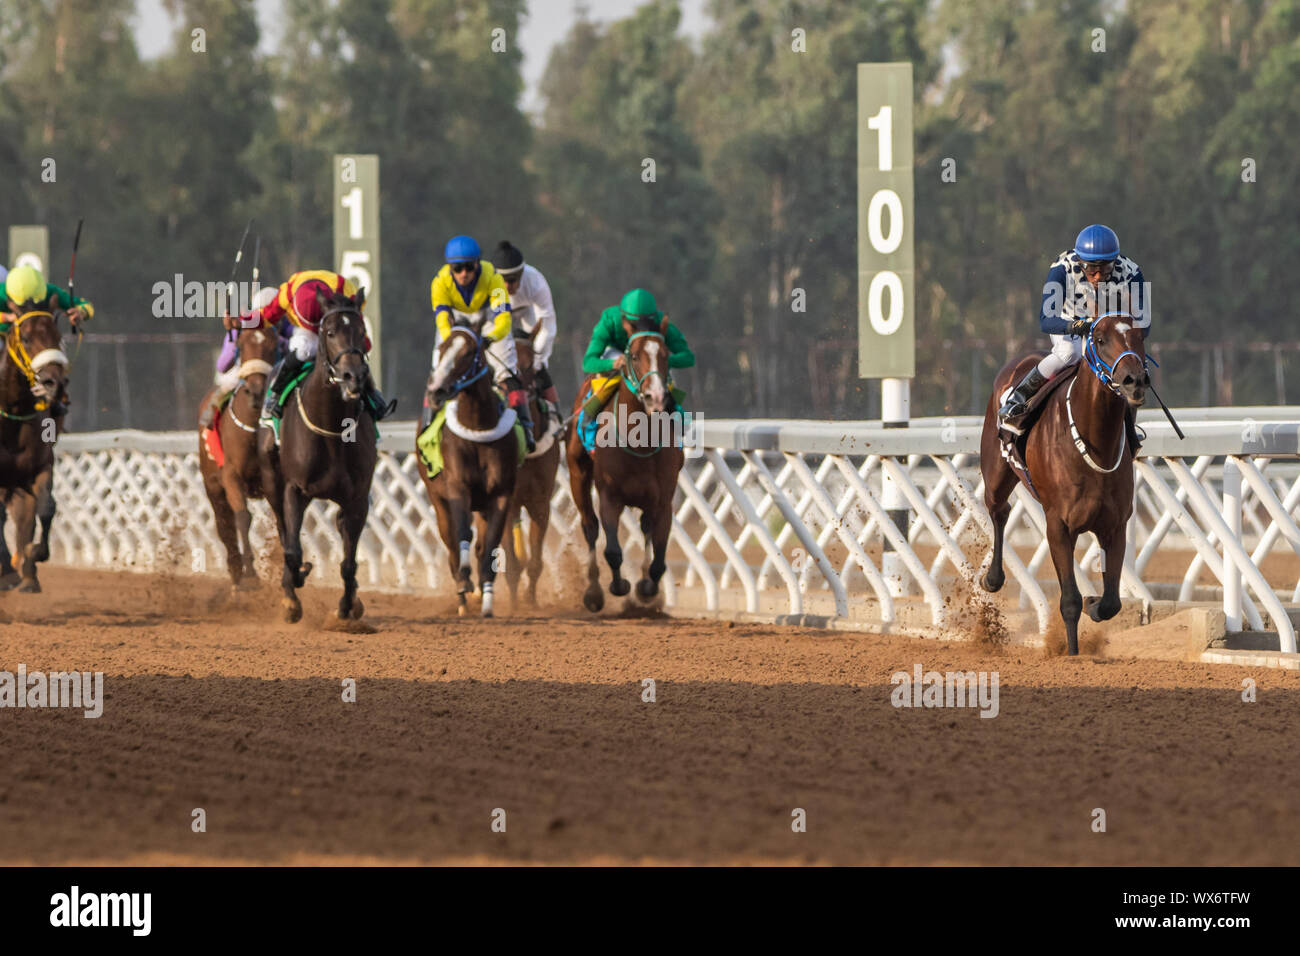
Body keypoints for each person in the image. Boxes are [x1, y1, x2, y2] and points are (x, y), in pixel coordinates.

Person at [997, 224, 1148, 451]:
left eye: (1105, 269)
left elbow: (1144, 325)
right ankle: (1017, 401)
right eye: (1091, 269)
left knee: (1130, 365)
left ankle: (1128, 427)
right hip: (1069, 323)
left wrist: (1121, 338)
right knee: (1070, 353)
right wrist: (1080, 326)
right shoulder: (1061, 268)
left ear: (1115, 262)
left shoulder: (1132, 272)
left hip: (1109, 329)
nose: (1098, 276)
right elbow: (1046, 320)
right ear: (1080, 262)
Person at [224, 269, 395, 425]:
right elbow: (267, 316)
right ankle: (275, 394)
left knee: (353, 353)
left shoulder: (346, 289)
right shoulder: (288, 292)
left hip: (336, 323)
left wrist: (361, 342)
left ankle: (374, 396)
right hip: (308, 331)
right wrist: (241, 322)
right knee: (304, 349)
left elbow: (357, 321)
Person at [429, 235, 535, 452]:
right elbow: (442, 320)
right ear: (450, 268)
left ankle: (526, 428)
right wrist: (458, 343)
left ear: (478, 263)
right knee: (438, 371)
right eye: (458, 269)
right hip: (455, 325)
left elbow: (503, 319)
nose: (464, 274)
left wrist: (489, 338)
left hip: (488, 321)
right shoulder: (439, 283)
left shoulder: (493, 278)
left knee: (508, 371)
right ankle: (428, 428)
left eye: (469, 267)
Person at [2, 264, 95, 416]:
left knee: (55, 351)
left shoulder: (49, 291)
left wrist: (80, 312)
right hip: (5, 336)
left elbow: (86, 305)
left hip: (38, 338)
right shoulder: (2, 293)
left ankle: (57, 398)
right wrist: (6, 317)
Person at [491, 240, 563, 437]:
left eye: (513, 280)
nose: (508, 286)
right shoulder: (487, 284)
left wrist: (538, 359)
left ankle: (557, 418)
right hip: (497, 318)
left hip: (527, 316)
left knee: (536, 368)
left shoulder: (536, 281)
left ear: (522, 274)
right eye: (503, 280)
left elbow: (548, 324)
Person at [200, 286, 284, 430]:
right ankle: (212, 414)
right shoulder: (240, 328)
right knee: (226, 387)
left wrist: (279, 342)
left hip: (276, 376)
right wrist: (236, 340)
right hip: (240, 376)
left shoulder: (286, 328)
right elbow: (222, 366)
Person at [582, 287, 694, 379]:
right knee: (620, 381)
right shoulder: (609, 321)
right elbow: (588, 363)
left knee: (666, 390)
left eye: (646, 323)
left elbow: (688, 357)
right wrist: (612, 364)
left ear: (653, 318)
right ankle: (599, 406)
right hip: (615, 356)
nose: (640, 329)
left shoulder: (661, 323)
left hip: (648, 362)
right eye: (634, 324)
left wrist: (661, 360)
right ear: (623, 318)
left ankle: (672, 407)